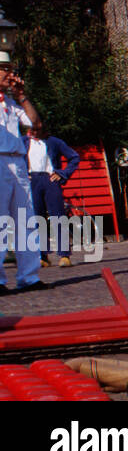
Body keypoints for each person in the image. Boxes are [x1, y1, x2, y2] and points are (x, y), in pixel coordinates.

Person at [0, 53, 47, 291]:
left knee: (25, 220)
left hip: (17, 163)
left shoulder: (11, 104)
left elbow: (36, 124)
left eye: (10, 69)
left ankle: (29, 277)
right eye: (4, 69)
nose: (10, 74)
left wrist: (22, 97)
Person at [25, 123, 81, 267]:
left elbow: (74, 157)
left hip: (50, 179)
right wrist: (23, 175)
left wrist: (62, 174)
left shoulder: (54, 142)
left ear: (43, 128)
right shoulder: (23, 142)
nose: (34, 133)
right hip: (32, 180)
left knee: (58, 215)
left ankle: (64, 255)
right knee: (37, 217)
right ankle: (42, 256)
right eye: (32, 130)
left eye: (37, 129)